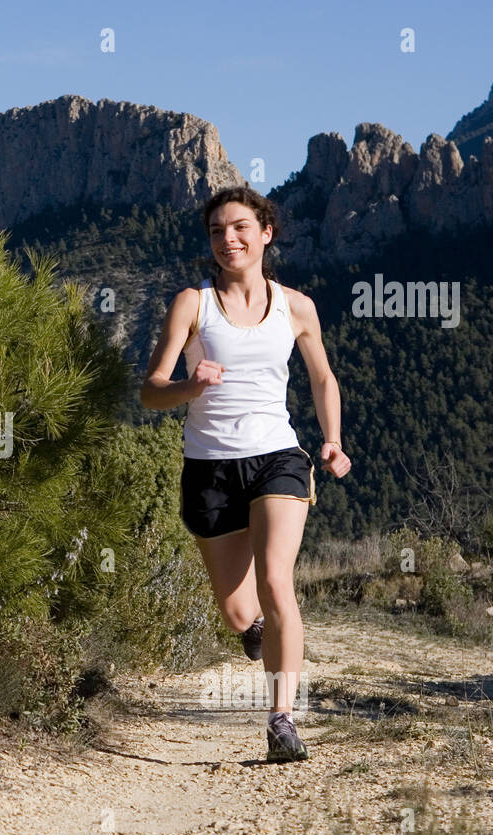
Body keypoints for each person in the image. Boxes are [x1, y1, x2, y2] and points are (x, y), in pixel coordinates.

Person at [140, 185, 351, 762]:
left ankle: (282, 718)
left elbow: (323, 378)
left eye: (238, 228)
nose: (226, 239)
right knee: (237, 611)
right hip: (209, 467)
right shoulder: (193, 303)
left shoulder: (296, 306)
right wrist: (191, 384)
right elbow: (150, 392)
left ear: (265, 234)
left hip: (278, 457)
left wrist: (330, 441)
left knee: (276, 580)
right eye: (216, 231)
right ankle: (258, 631)